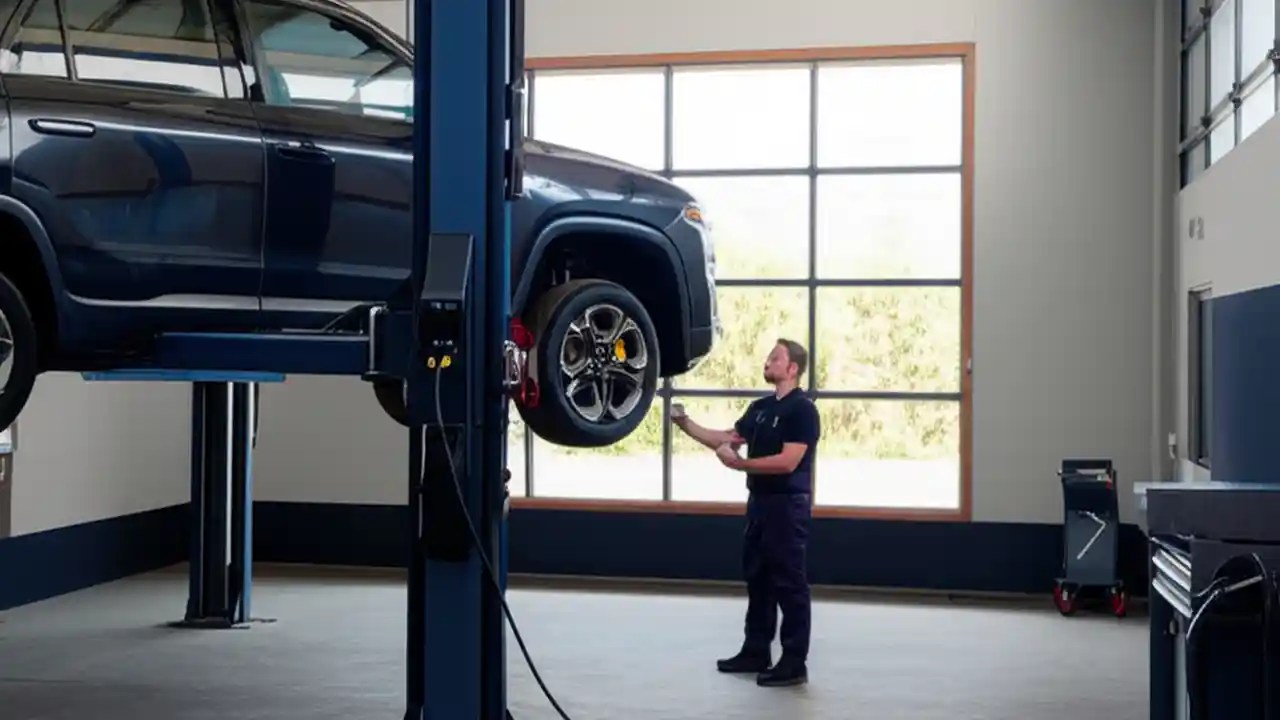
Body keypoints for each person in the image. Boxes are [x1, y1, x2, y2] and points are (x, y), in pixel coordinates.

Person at [671, 338, 820, 687]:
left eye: (775, 358)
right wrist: (685, 423)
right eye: (769, 357)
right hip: (759, 504)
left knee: (789, 584)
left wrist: (740, 466)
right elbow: (726, 438)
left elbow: (788, 462)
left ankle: (794, 663)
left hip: (788, 507)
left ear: (793, 368)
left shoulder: (802, 410)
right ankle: (756, 651)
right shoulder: (760, 408)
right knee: (758, 579)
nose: (767, 361)